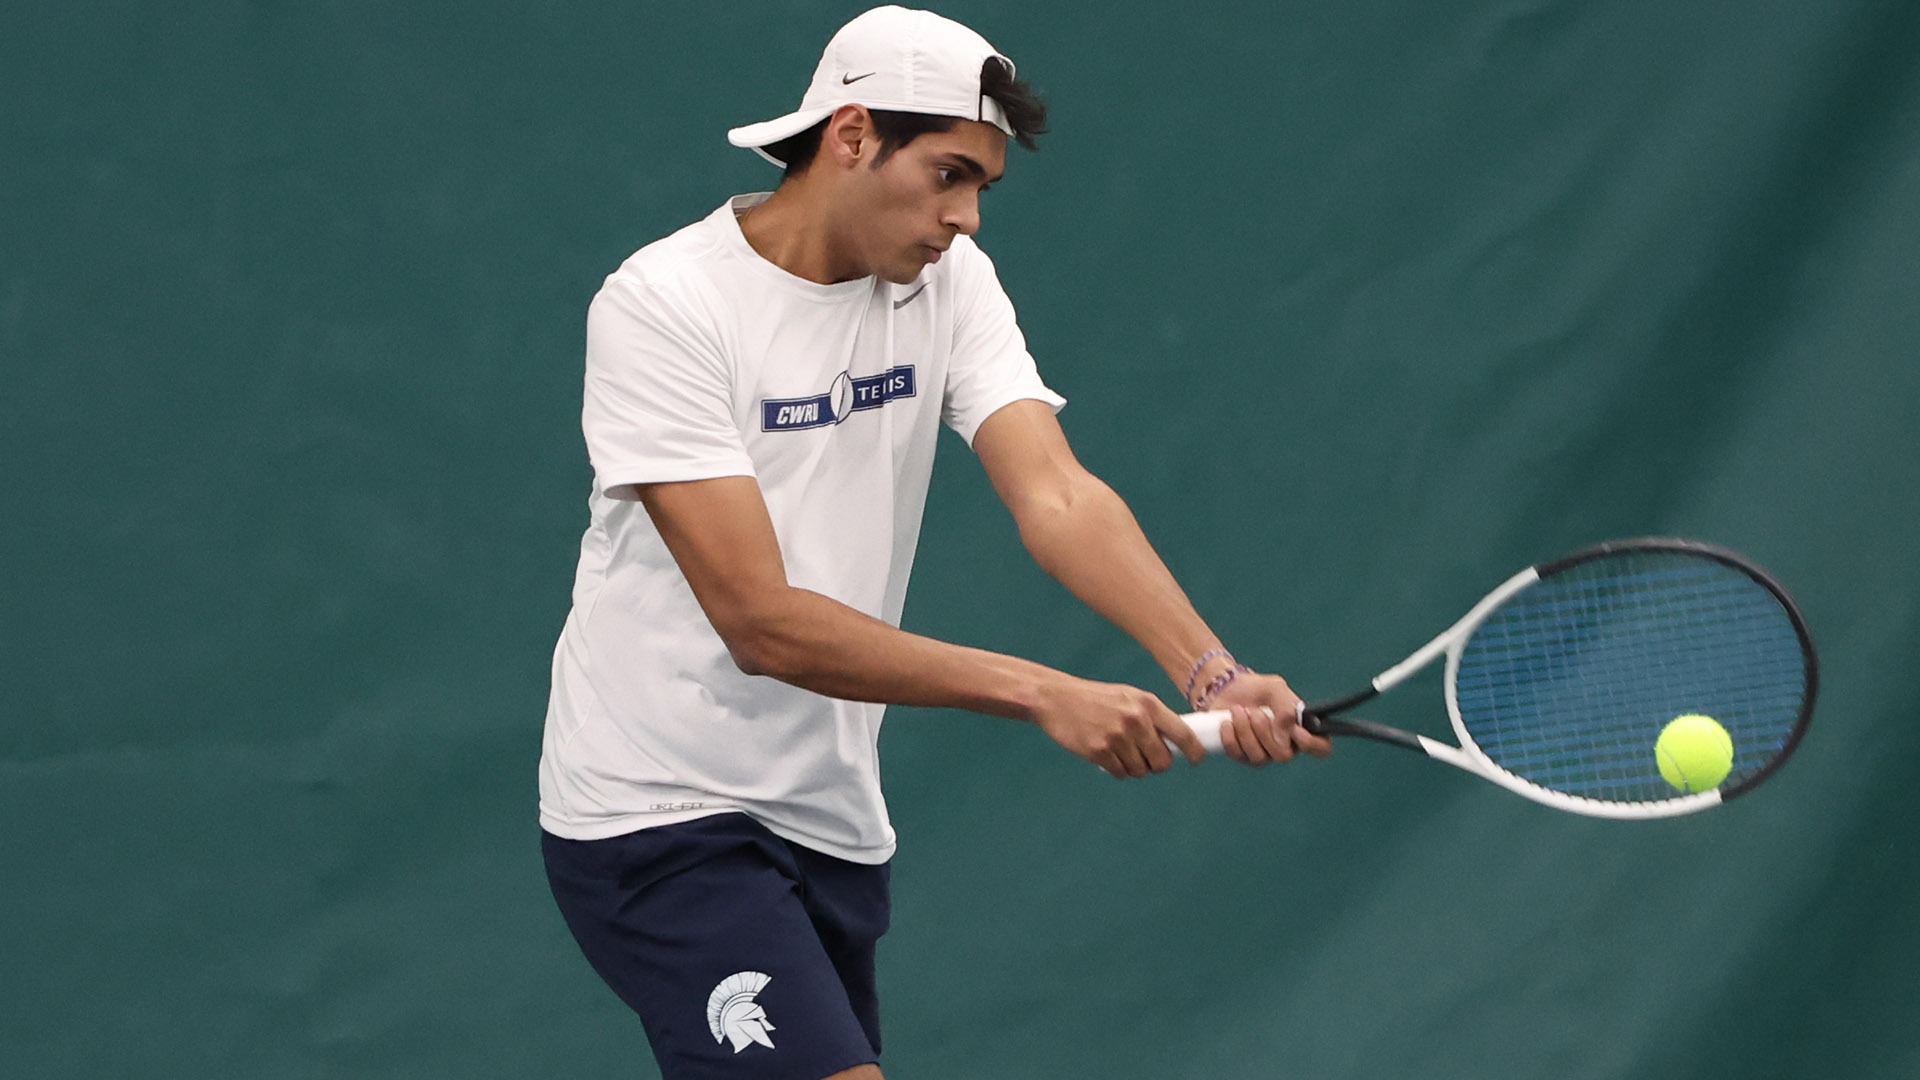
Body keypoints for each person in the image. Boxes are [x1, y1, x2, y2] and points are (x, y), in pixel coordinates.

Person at [537, 7, 1331, 1079]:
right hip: (659, 815)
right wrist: (1045, 691)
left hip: (831, 819)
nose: (966, 219)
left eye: (982, 190)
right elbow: (759, 621)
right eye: (949, 175)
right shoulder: (664, 306)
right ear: (853, 134)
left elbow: (1055, 494)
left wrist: (1212, 669)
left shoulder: (948, 287)